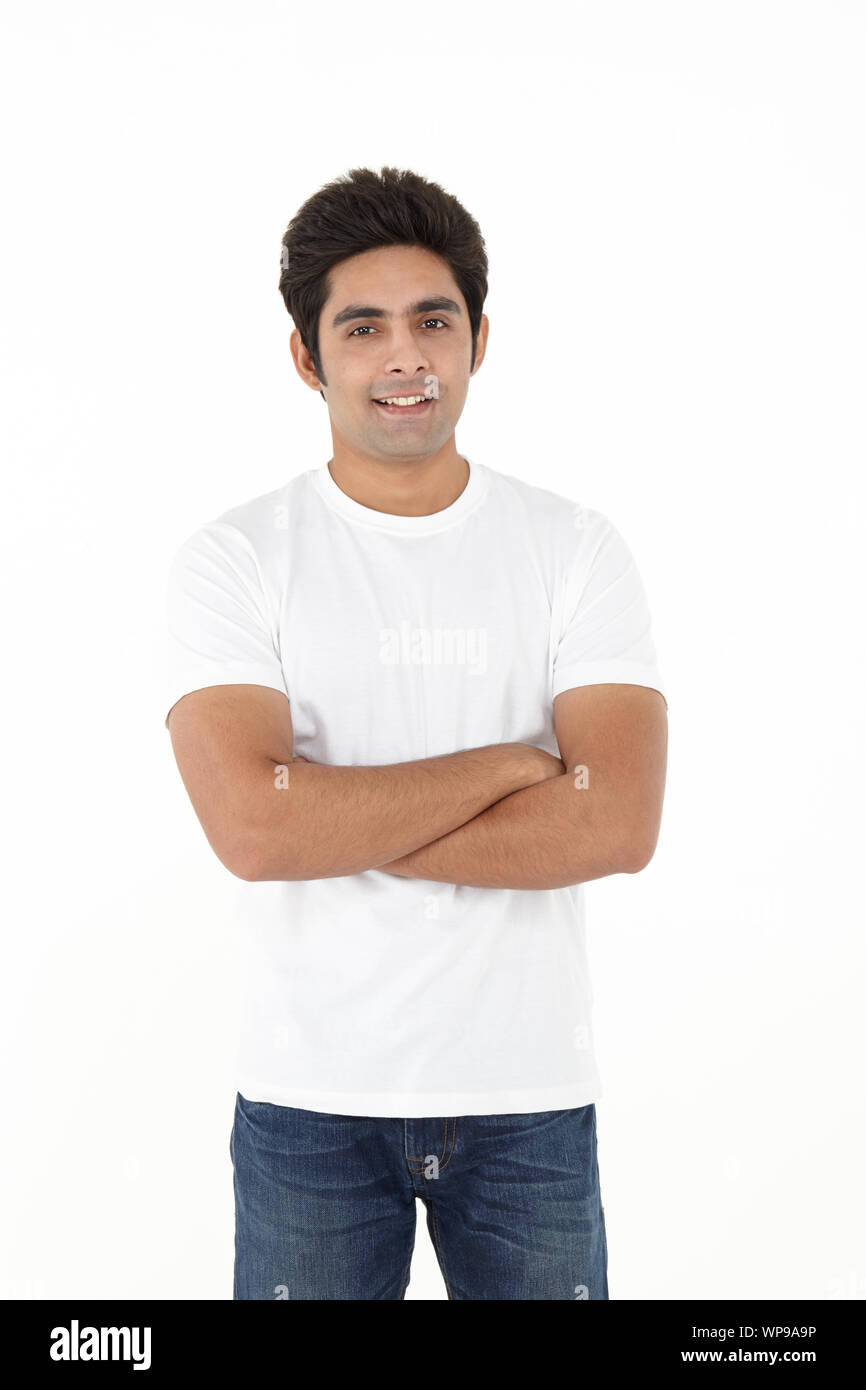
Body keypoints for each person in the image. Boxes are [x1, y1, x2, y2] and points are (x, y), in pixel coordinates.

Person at [161, 166, 668, 1300]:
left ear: (478, 339)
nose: (405, 358)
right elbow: (251, 828)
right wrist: (505, 768)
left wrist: (326, 811)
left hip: (525, 1096)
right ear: (307, 357)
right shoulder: (238, 559)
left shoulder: (571, 548)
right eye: (364, 327)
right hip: (309, 1102)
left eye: (433, 321)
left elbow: (617, 821)